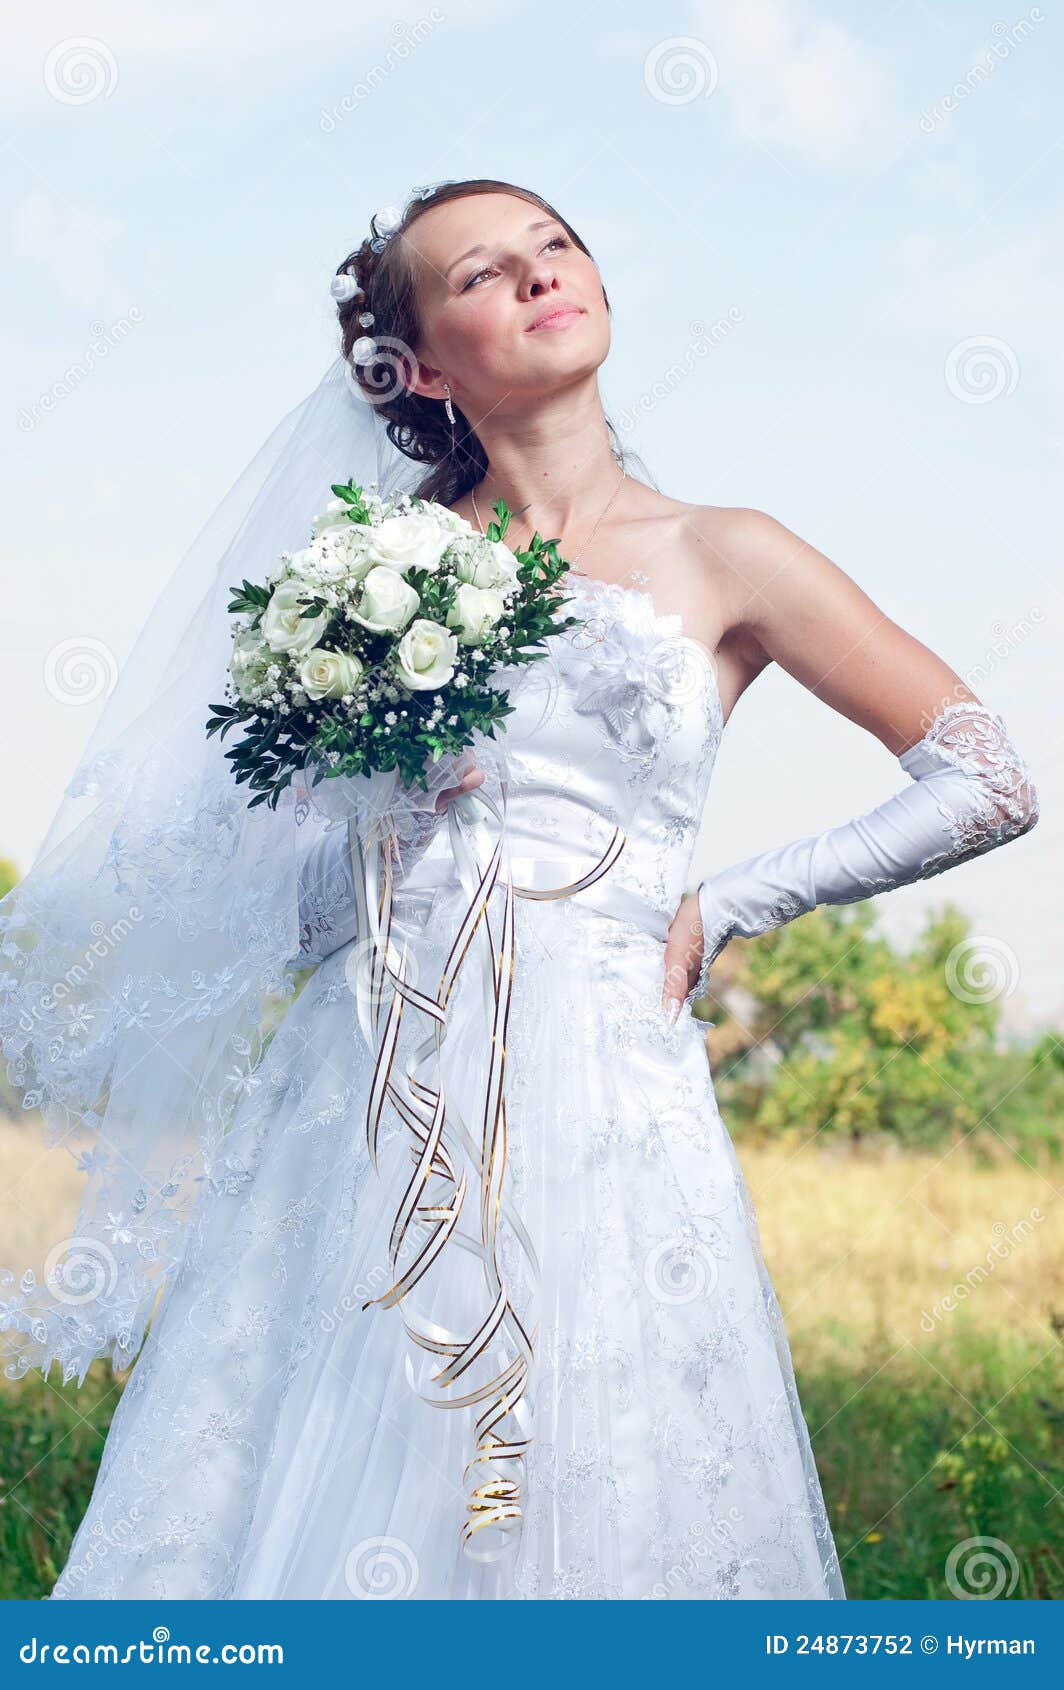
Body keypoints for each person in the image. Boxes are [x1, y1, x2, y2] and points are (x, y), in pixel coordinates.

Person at [0, 179, 1038, 1601]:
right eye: (485, 272)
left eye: (558, 246)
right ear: (422, 365)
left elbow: (987, 777)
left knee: (598, 1459)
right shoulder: (370, 576)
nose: (542, 276)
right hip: (374, 1078)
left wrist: (729, 902)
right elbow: (283, 903)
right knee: (324, 1442)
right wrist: (379, 823)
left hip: (607, 1075)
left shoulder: (727, 551)